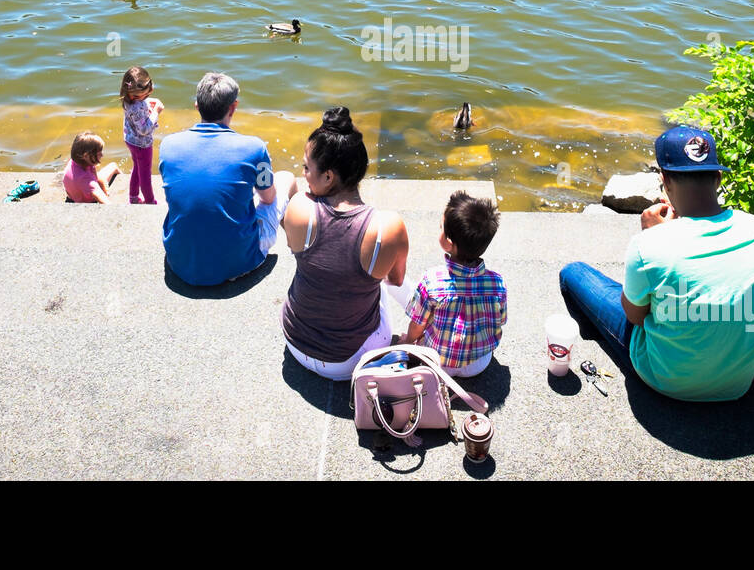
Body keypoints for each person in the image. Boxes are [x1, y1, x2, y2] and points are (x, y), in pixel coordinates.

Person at [559, 126, 754, 402]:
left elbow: (635, 316)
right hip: (739, 381)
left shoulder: (651, 244)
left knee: (573, 273)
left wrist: (654, 236)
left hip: (665, 380)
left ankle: (600, 337)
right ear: (719, 178)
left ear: (664, 181)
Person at [281, 107, 410, 380]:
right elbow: (396, 280)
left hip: (295, 342)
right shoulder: (388, 226)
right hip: (350, 362)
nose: (304, 174)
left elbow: (293, 203)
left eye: (306, 167)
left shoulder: (299, 209)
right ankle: (426, 318)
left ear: (329, 177)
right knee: (380, 281)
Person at [159, 72, 297, 285]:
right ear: (233, 107)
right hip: (240, 262)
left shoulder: (168, 145)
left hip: (181, 263)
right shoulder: (255, 148)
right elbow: (269, 199)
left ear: (197, 106)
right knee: (286, 178)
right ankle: (298, 247)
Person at [399, 190, 507, 377]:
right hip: (479, 363)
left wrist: (408, 341)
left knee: (420, 326)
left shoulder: (432, 281)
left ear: (448, 242)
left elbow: (418, 324)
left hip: (438, 363)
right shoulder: (497, 283)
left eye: (441, 227)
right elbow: (501, 320)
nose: (439, 229)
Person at [121, 67, 163, 205]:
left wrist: (147, 103)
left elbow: (140, 107)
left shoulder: (128, 101)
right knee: (145, 175)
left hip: (130, 140)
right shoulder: (136, 106)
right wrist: (155, 111)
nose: (141, 99)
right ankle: (150, 202)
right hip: (142, 144)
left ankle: (133, 198)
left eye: (144, 95)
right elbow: (144, 129)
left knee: (136, 168)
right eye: (138, 96)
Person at [62, 132, 120, 203]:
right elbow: (106, 203)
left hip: (74, 197)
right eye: (99, 153)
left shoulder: (73, 161)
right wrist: (106, 194)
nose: (102, 155)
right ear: (86, 156)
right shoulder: (88, 182)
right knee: (113, 166)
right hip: (88, 199)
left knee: (109, 169)